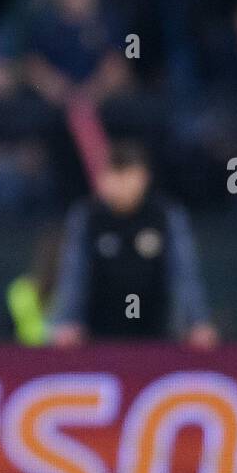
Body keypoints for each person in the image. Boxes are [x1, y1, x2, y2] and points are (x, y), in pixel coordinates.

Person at [51, 141, 217, 349]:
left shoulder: (164, 216)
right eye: (113, 176)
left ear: (143, 178)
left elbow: (183, 273)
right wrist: (65, 321)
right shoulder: (88, 217)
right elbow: (74, 274)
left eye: (127, 176)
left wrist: (196, 322)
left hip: (158, 332)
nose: (119, 185)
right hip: (98, 335)